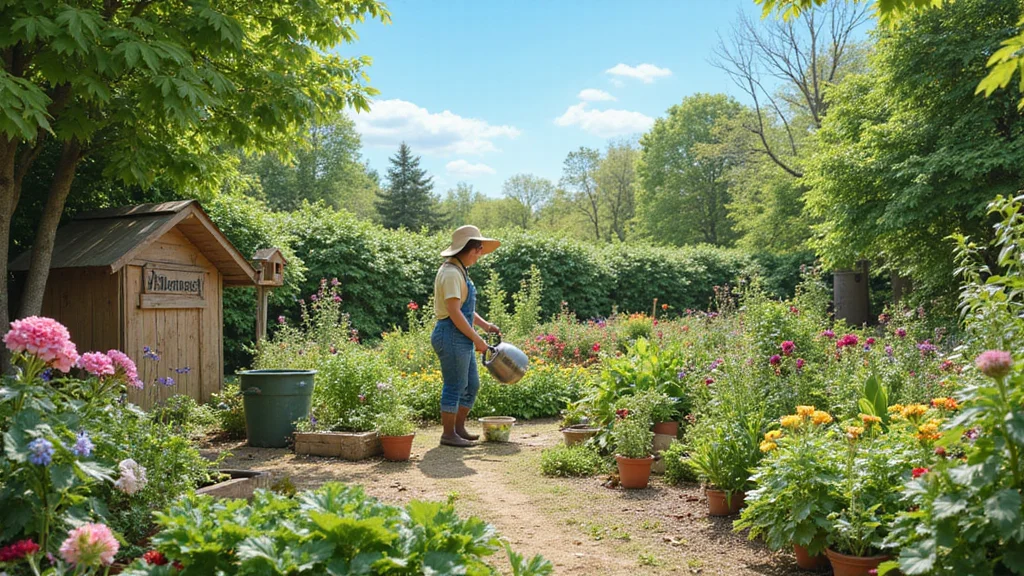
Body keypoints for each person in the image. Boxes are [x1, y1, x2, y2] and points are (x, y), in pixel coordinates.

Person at [431, 225, 501, 447]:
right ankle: (448, 434)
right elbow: (453, 312)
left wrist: (485, 325)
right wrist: (478, 340)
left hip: (459, 333)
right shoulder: (451, 273)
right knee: (455, 385)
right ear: (469, 249)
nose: (480, 254)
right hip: (451, 334)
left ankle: (458, 428)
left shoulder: (459, 270)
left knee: (471, 384)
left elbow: (465, 309)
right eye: (479, 249)